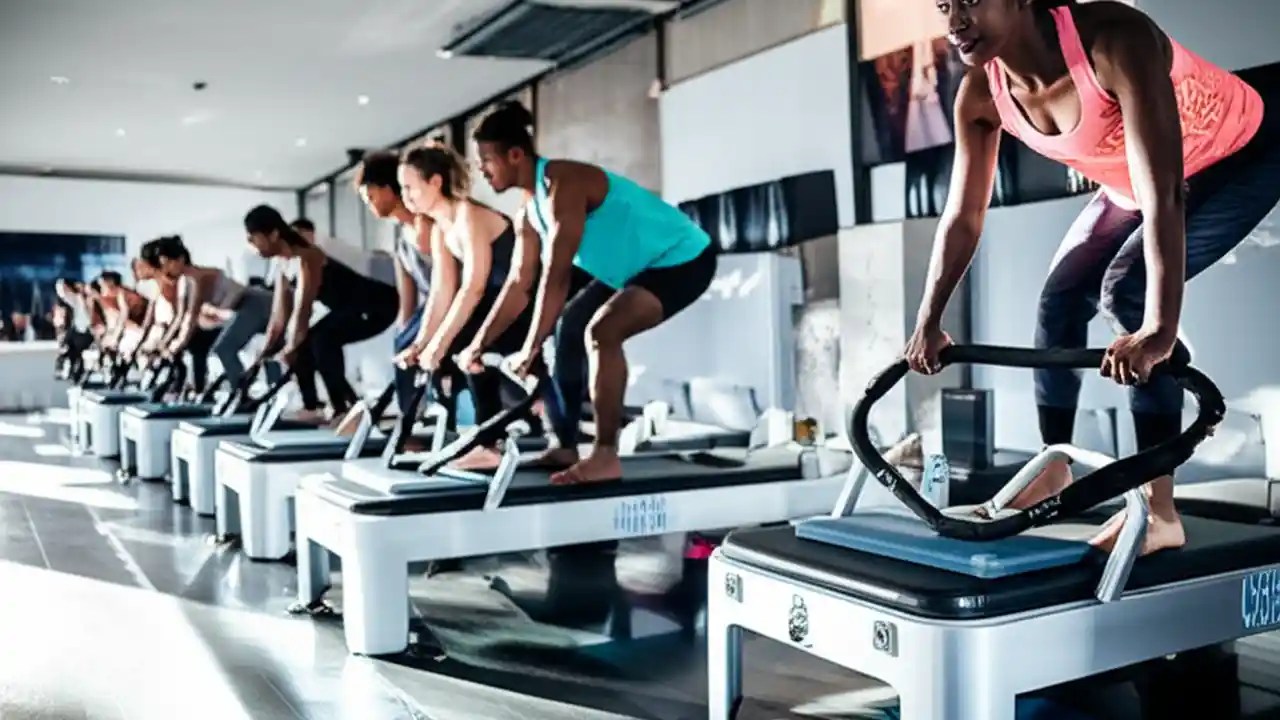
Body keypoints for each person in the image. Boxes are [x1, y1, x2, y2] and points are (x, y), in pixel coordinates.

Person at [904, 0, 1280, 555]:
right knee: (1058, 303)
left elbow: (1164, 192)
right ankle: (1054, 467)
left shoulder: (1113, 40)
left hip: (1240, 154)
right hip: (1139, 183)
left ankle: (1160, 511)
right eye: (944, 5)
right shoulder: (982, 94)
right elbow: (964, 216)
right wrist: (928, 319)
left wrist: (1158, 328)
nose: (955, 20)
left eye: (971, 0)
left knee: (1126, 293)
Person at [461, 101, 718, 484]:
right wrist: (479, 344)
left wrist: (530, 346)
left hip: (683, 258)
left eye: (486, 159)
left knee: (602, 331)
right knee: (567, 330)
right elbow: (518, 285)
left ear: (515, 154)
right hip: (635, 270)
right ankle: (564, 444)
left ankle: (604, 455)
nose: (482, 170)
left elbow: (557, 275)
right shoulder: (528, 212)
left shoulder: (564, 184)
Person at [396, 140, 538, 467]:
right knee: (449, 350)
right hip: (501, 306)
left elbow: (473, 286)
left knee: (462, 346)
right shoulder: (439, 230)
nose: (406, 196)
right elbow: (441, 292)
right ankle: (487, 435)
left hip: (528, 304)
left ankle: (492, 439)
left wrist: (441, 343)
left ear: (435, 182)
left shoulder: (468, 215)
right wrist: (422, 344)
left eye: (410, 187)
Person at [244, 205, 399, 419]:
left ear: (273, 234)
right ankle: (315, 406)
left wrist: (289, 348)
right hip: (350, 308)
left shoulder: (308, 257)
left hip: (378, 304)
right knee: (310, 343)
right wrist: (261, 357)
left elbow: (302, 310)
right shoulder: (282, 265)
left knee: (321, 339)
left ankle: (342, 409)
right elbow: (278, 320)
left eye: (253, 237)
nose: (251, 244)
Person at [353, 150, 436, 417]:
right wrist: (401, 337)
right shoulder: (401, 240)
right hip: (430, 310)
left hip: (452, 304)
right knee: (401, 341)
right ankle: (410, 418)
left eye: (371, 196)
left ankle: (410, 422)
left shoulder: (426, 225)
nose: (369, 203)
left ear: (389, 190)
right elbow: (407, 300)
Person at [150, 235, 274, 393]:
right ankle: (249, 391)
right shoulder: (185, 281)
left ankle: (243, 392)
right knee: (269, 349)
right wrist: (165, 343)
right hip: (242, 308)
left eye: (168, 264)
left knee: (225, 348)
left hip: (253, 302)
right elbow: (182, 316)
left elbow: (191, 315)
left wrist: (176, 345)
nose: (166, 270)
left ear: (181, 259)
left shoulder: (198, 277)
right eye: (163, 265)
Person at [95, 271, 150, 355]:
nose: (100, 287)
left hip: (136, 330)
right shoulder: (107, 298)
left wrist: (114, 337)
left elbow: (123, 318)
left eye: (102, 284)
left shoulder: (123, 294)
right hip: (126, 329)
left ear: (110, 283)